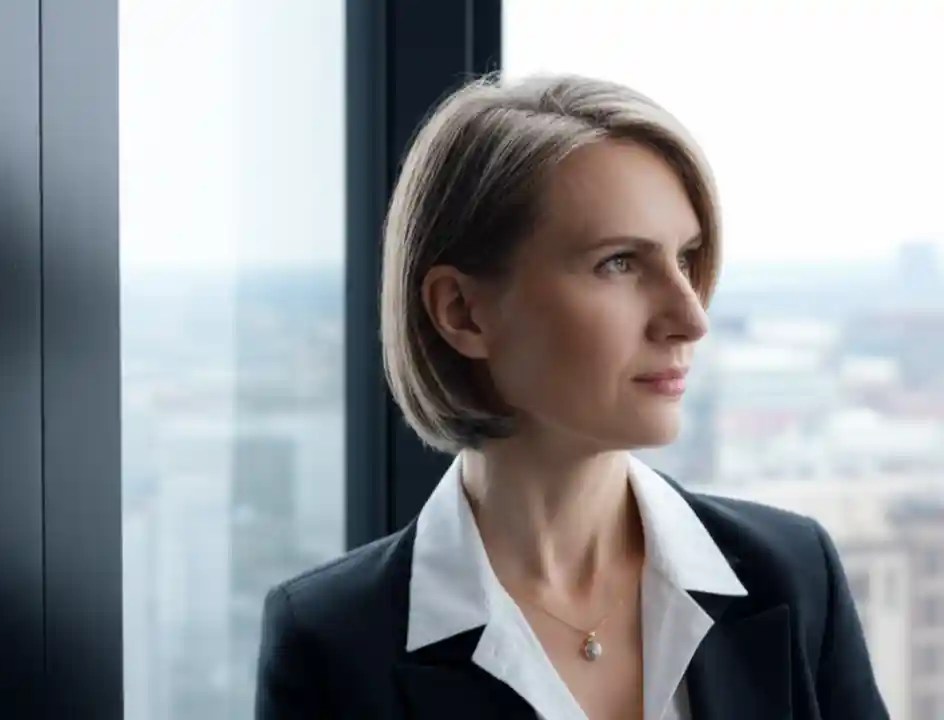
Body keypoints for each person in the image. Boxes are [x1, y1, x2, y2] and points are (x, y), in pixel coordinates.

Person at [254, 72, 889, 720]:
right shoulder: (332, 644)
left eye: (686, 258)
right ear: (462, 312)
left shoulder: (793, 575)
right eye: (619, 263)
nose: (690, 318)